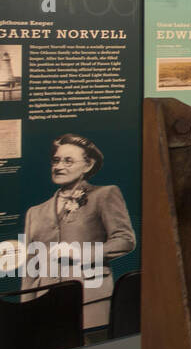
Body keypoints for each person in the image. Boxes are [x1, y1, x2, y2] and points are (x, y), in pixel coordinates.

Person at [21, 134, 136, 330]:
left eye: (68, 161)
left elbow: (125, 240)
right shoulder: (35, 212)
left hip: (89, 298)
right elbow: (30, 266)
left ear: (88, 165)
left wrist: (82, 254)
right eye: (56, 160)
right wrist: (26, 309)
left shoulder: (105, 194)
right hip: (45, 302)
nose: (59, 166)